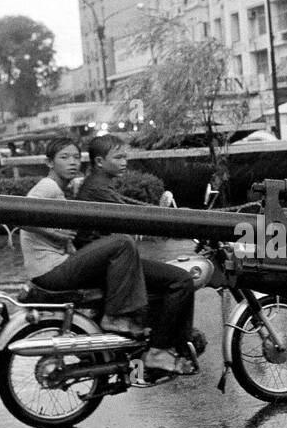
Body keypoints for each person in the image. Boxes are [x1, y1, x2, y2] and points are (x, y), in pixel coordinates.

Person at [18, 137, 186, 376]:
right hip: (51, 271)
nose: (72, 163)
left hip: (54, 268)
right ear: (49, 163)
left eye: (76, 157)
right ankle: (116, 317)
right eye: (64, 158)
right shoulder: (48, 187)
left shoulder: (61, 190)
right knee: (122, 243)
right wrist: (54, 231)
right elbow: (18, 218)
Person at [75, 134, 196, 374]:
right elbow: (132, 218)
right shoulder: (98, 189)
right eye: (118, 157)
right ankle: (159, 350)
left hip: (110, 260)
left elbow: (129, 210)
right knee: (181, 281)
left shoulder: (98, 186)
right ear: (99, 162)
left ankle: (159, 340)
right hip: (109, 263)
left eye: (125, 157)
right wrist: (174, 220)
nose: (124, 162)